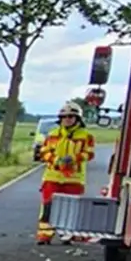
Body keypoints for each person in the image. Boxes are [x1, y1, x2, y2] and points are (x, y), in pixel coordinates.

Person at [37, 101, 96, 243]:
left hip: (74, 178)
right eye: (64, 116)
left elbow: (89, 153)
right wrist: (56, 160)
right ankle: (45, 235)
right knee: (48, 206)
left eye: (71, 116)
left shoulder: (86, 136)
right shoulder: (53, 134)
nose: (67, 119)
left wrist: (74, 159)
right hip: (52, 176)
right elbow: (44, 152)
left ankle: (67, 234)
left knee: (71, 208)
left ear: (78, 118)